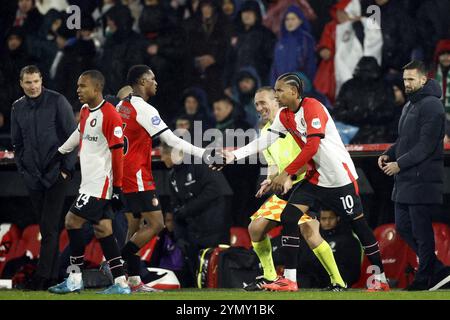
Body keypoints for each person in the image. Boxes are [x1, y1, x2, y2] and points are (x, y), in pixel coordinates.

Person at [216, 72, 389, 291]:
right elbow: (264, 141)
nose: (277, 95)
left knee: (359, 226)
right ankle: (289, 280)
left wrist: (286, 173)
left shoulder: (313, 107)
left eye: (279, 90)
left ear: (294, 92)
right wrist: (233, 156)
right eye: (275, 90)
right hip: (314, 177)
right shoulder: (284, 116)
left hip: (338, 177)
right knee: (289, 216)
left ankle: (380, 278)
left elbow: (312, 146)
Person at [115, 64, 224, 289]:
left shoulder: (122, 105)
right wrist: (203, 152)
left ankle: (134, 280)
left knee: (134, 227)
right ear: (142, 82)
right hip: (137, 174)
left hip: (123, 172)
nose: (156, 83)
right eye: (152, 79)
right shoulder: (145, 109)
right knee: (156, 224)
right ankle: (116, 264)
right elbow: (173, 141)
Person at [243, 87, 347, 292]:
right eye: (256, 104)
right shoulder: (265, 132)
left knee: (309, 231)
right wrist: (268, 180)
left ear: (276, 101)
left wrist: (289, 175)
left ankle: (338, 282)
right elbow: (273, 165)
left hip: (307, 184)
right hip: (285, 188)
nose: (259, 107)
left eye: (263, 102)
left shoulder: (291, 125)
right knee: (255, 228)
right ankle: (269, 276)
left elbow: (308, 156)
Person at [47, 70, 131, 294]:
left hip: (100, 184)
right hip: (89, 183)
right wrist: (60, 153)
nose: (78, 90)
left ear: (96, 89)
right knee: (103, 230)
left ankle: (74, 278)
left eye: (83, 86)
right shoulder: (85, 110)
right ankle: (121, 283)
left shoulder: (110, 115)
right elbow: (79, 132)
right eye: (77, 85)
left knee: (71, 221)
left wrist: (118, 188)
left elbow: (117, 153)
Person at [378, 60, 450, 291]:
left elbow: (426, 145)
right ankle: (439, 272)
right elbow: (404, 140)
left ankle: (424, 278)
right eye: (405, 79)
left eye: (411, 79)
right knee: (404, 227)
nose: (406, 83)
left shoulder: (432, 106)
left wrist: (400, 164)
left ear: (423, 79)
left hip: (421, 177)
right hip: (407, 178)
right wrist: (389, 153)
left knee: (421, 230)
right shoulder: (411, 105)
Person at [10, 65, 77, 290]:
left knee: (48, 227)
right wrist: (24, 170)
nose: (32, 86)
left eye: (35, 81)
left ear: (41, 80)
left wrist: (66, 170)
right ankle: (51, 276)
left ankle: (43, 277)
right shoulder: (17, 108)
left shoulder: (57, 101)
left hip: (56, 174)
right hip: (33, 177)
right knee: (47, 228)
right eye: (28, 82)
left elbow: (73, 136)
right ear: (21, 83)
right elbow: (17, 144)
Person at [160, 142, 232, 287]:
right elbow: (176, 204)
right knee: (194, 267)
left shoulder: (200, 163)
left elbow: (216, 190)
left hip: (213, 224)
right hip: (193, 229)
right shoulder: (172, 176)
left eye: (164, 154)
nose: (162, 158)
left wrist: (186, 210)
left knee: (213, 266)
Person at [297, 209, 362, 288]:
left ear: (338, 218)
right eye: (324, 219)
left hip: (338, 281)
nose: (327, 222)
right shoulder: (311, 239)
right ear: (319, 220)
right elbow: (303, 263)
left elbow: (353, 269)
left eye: (331, 218)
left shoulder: (349, 240)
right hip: (311, 282)